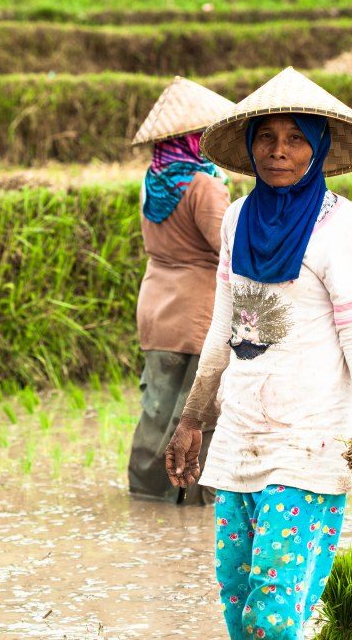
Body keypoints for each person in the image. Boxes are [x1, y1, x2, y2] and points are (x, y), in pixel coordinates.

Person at [164, 67, 352, 639]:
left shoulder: (342, 224)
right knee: (237, 597)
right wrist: (194, 417)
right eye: (266, 137)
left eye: (296, 138)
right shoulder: (240, 218)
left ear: (318, 146)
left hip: (310, 436)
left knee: (275, 607)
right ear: (249, 146)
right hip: (243, 433)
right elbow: (225, 322)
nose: (279, 151)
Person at [126, 76, 234, 505]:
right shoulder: (206, 185)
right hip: (197, 310)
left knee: (156, 410)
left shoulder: (152, 180)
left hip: (156, 305)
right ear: (195, 139)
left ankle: (146, 497)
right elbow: (226, 248)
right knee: (198, 413)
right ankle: (192, 502)